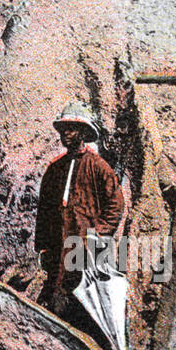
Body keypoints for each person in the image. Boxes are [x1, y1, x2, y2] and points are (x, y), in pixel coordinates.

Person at [33, 102, 125, 317]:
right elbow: (44, 210)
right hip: (58, 243)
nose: (66, 134)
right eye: (63, 129)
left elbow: (116, 204)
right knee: (56, 291)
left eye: (72, 129)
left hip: (84, 243)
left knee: (82, 295)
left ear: (83, 132)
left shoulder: (98, 166)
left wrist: (97, 234)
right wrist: (44, 246)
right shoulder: (55, 168)